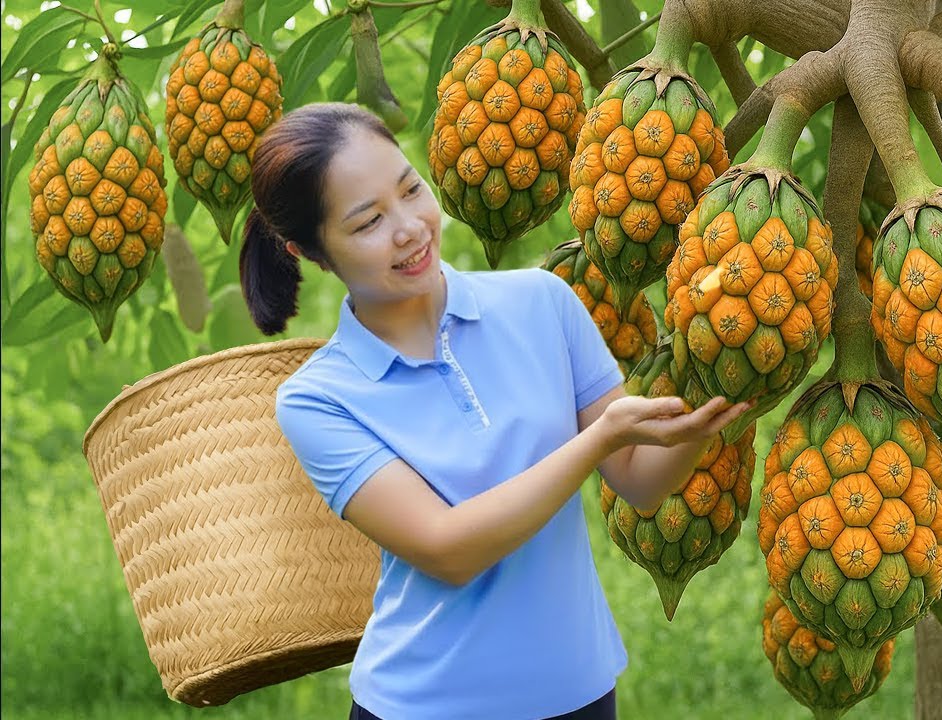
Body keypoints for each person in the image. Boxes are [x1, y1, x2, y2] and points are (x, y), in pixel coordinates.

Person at [239, 102, 751, 720]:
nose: (409, 227)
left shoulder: (543, 302)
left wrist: (709, 397)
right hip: (421, 705)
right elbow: (448, 550)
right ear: (312, 251)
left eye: (410, 190)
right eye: (369, 222)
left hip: (579, 694)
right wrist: (596, 443)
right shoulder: (319, 398)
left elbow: (639, 481)